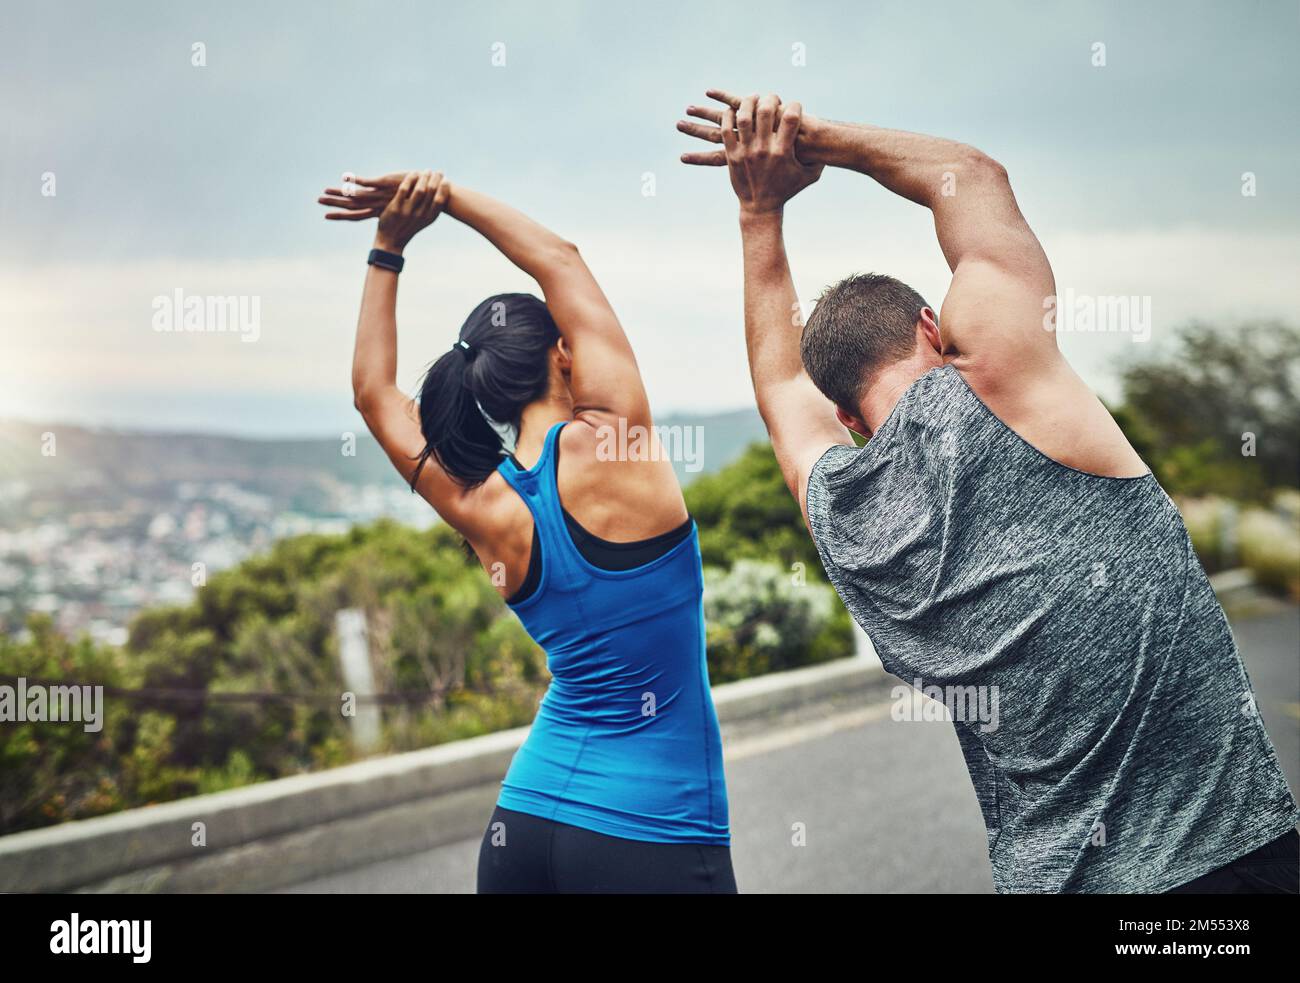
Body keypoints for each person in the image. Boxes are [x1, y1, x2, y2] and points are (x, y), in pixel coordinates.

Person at [678, 91, 1299, 893]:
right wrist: (807, 139)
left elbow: (775, 386)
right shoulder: (1005, 383)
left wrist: (758, 213)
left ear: (843, 415)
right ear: (935, 328)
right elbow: (971, 175)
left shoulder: (840, 510)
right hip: (1224, 869)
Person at [317, 170, 734, 893]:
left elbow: (374, 395)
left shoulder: (482, 501)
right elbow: (560, 258)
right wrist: (443, 195)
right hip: (654, 831)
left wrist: (390, 245)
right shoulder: (616, 443)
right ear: (562, 353)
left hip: (523, 828)